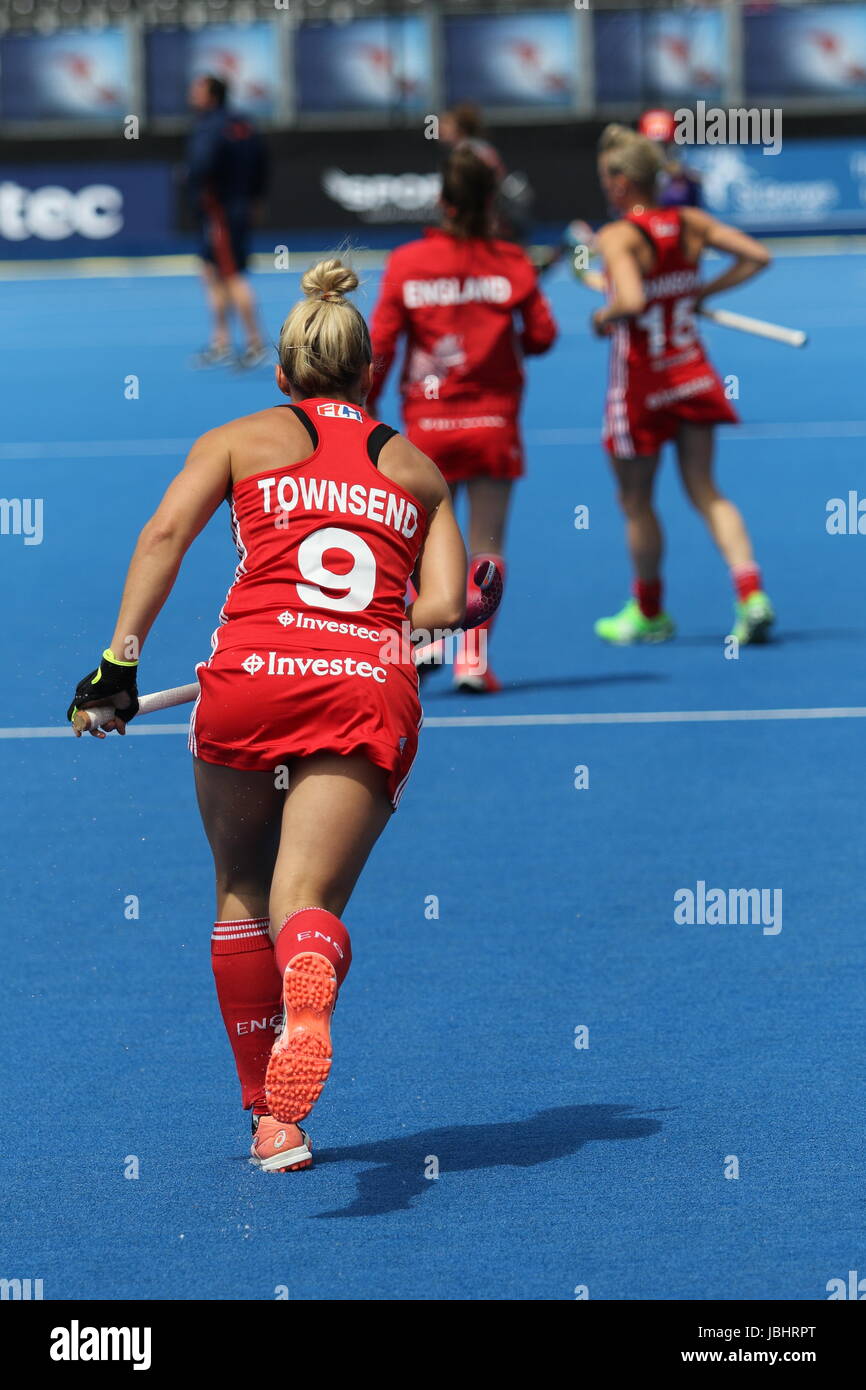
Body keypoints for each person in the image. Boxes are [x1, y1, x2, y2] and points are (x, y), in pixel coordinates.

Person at [66, 259, 468, 1172]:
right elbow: (441, 608)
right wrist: (449, 611)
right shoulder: (417, 468)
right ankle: (312, 997)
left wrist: (115, 669)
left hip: (249, 679)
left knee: (242, 889)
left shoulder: (237, 437)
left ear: (281, 375)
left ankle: (271, 1122)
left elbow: (163, 536)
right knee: (307, 902)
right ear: (372, 373)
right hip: (366, 683)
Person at [367, 145, 557, 691]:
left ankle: (421, 641)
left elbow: (380, 341)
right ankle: (472, 659)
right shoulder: (512, 261)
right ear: (491, 200)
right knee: (487, 541)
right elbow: (542, 337)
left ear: (441, 201)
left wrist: (370, 403)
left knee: (420, 544)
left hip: (429, 426)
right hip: (494, 423)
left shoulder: (407, 262)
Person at [591, 125, 775, 645]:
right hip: (691, 373)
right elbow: (759, 256)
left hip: (641, 387)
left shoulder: (619, 236)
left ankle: (649, 612)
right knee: (707, 490)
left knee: (636, 502)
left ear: (623, 182)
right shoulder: (690, 222)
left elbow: (628, 302)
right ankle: (752, 594)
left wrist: (602, 316)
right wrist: (699, 292)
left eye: (608, 178)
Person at [187, 74, 269, 369]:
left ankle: (255, 342)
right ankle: (220, 341)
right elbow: (262, 162)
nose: (191, 94)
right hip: (238, 207)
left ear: (211, 96)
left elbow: (201, 165)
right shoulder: (243, 123)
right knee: (210, 271)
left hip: (219, 210)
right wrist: (255, 198)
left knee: (232, 275)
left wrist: (194, 186)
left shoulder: (209, 126)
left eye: (197, 89)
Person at [636, 109, 703, 209]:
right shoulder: (631, 176)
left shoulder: (685, 178)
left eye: (664, 145)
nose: (658, 151)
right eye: (652, 146)